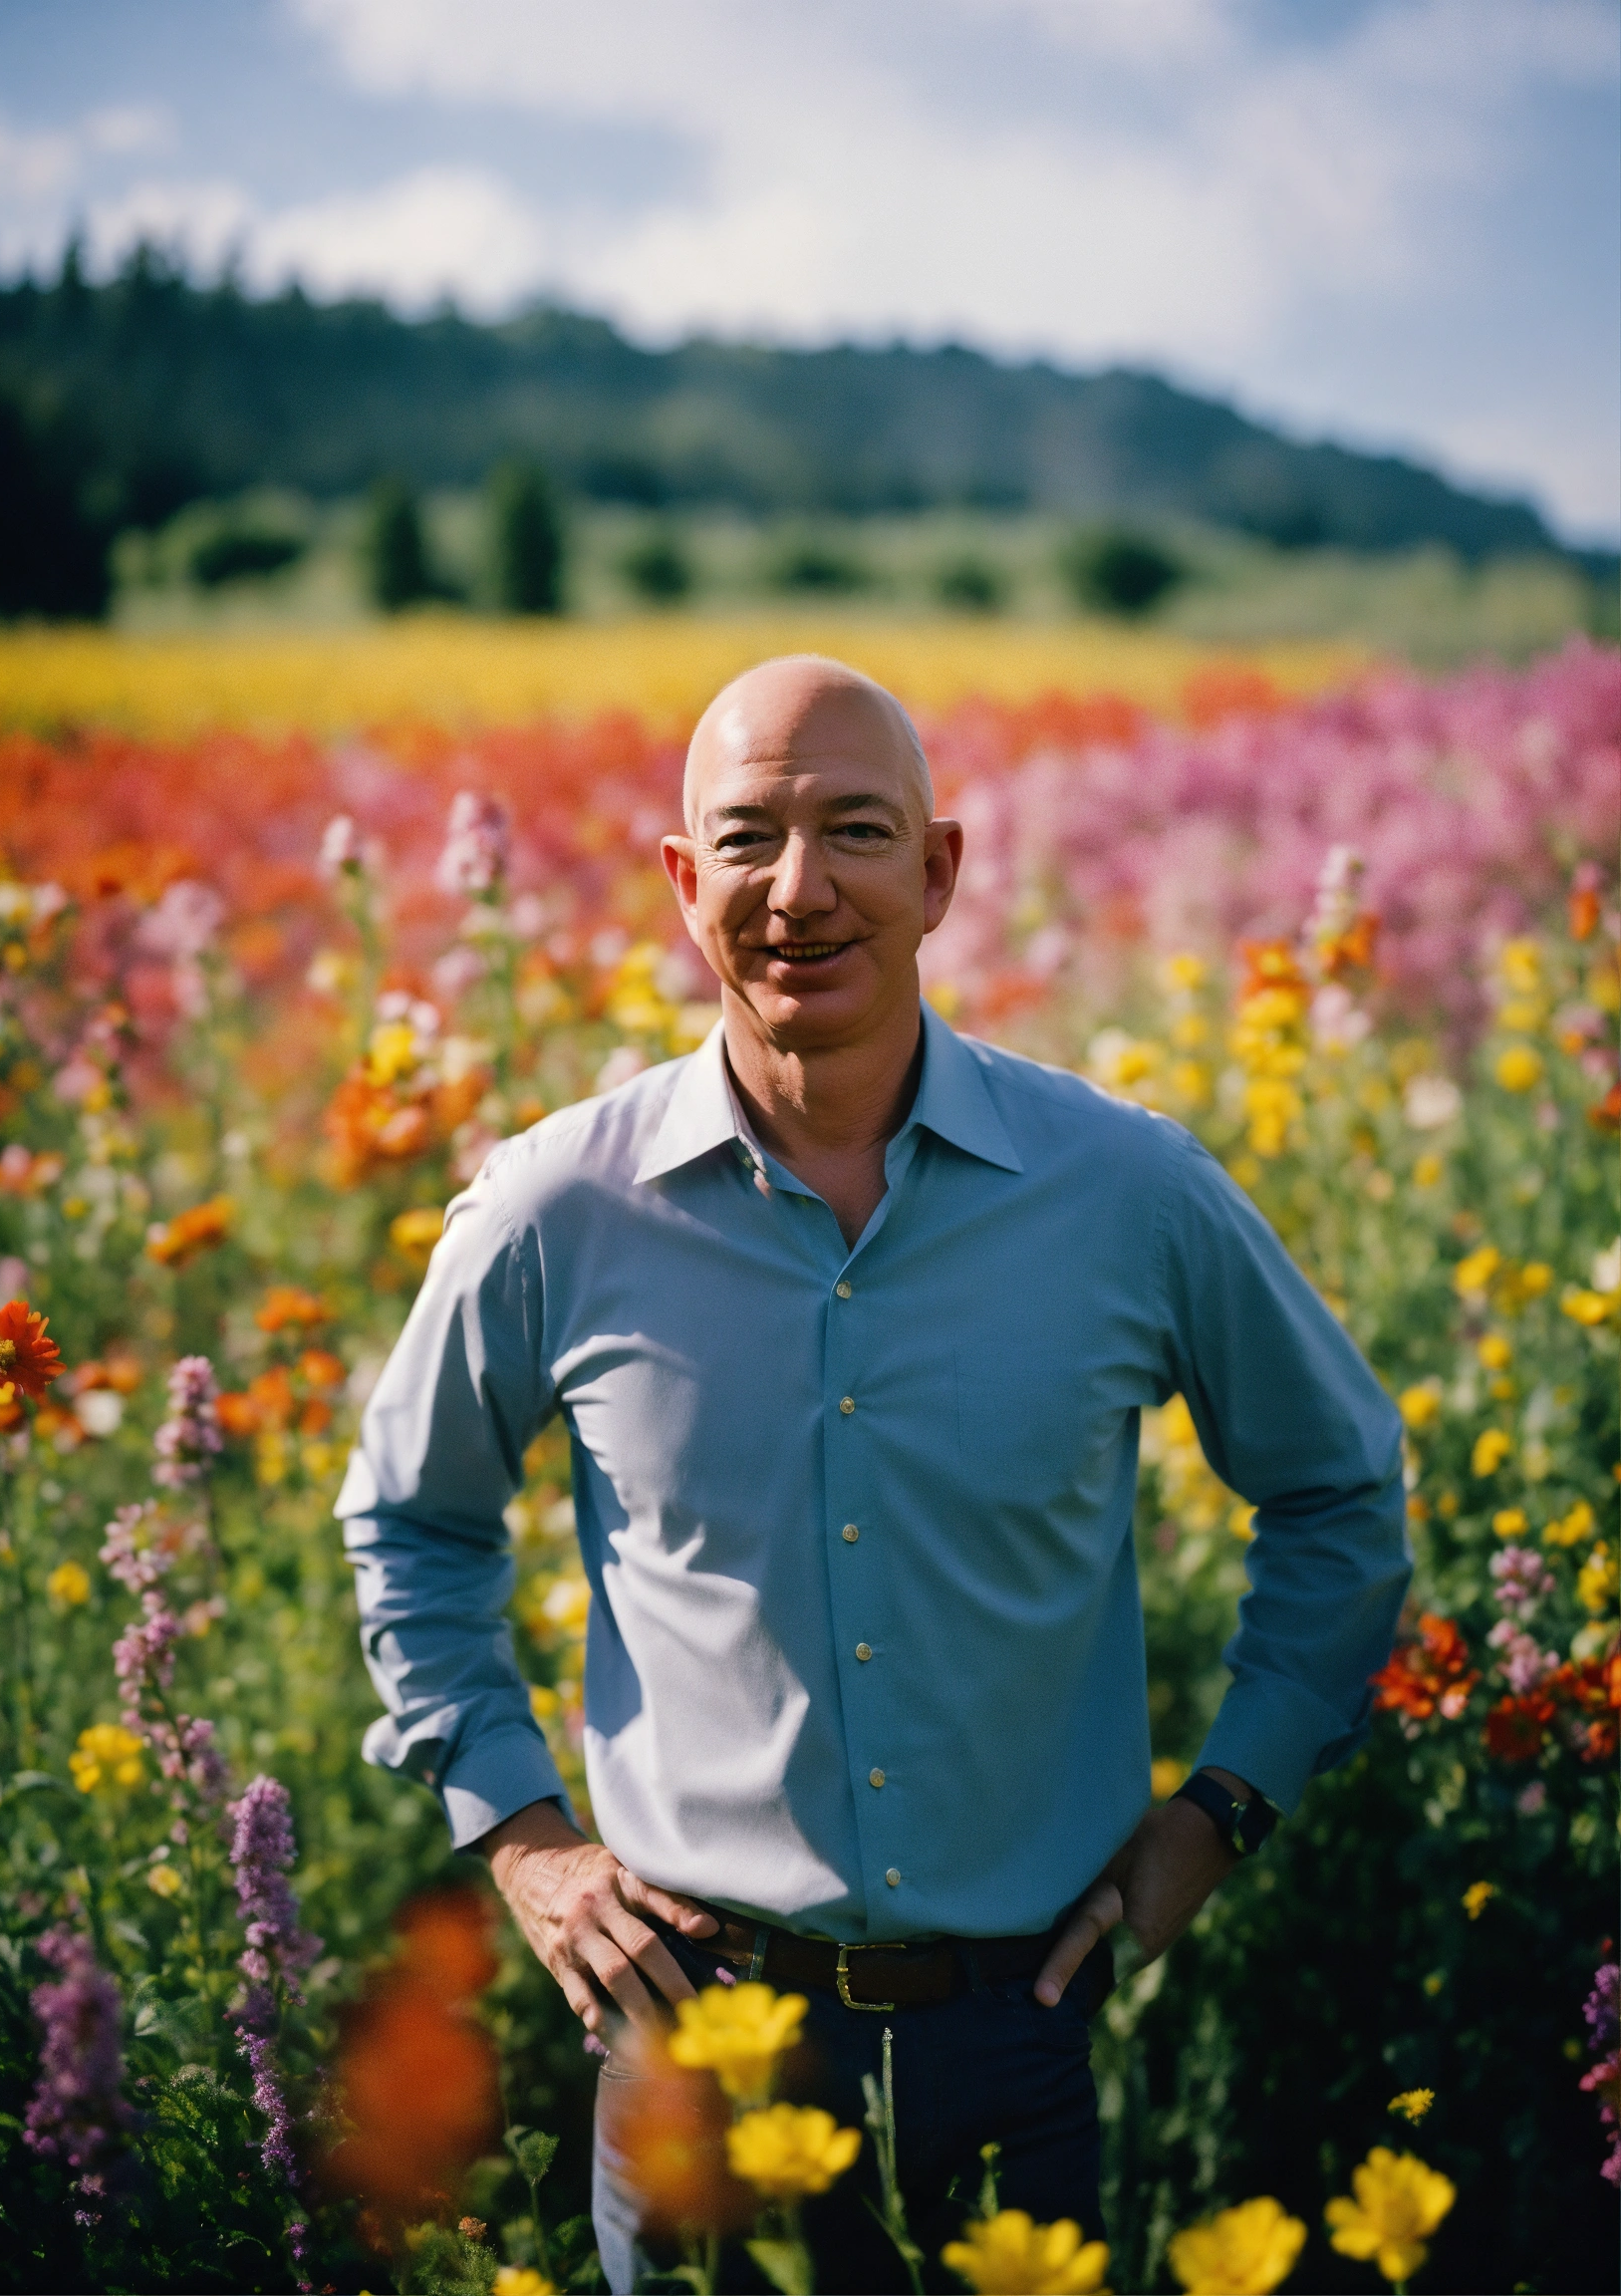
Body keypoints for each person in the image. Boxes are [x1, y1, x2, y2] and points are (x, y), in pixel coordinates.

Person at [337, 655, 1410, 2292]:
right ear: (687, 886)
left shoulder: (1128, 1193)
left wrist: (1224, 1805)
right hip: (692, 2044)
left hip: (1017, 2042)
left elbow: (1339, 1491)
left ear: (940, 872)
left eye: (856, 831)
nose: (800, 889)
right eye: (749, 840)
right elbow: (410, 1522)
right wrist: (527, 1841)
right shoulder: (556, 1209)